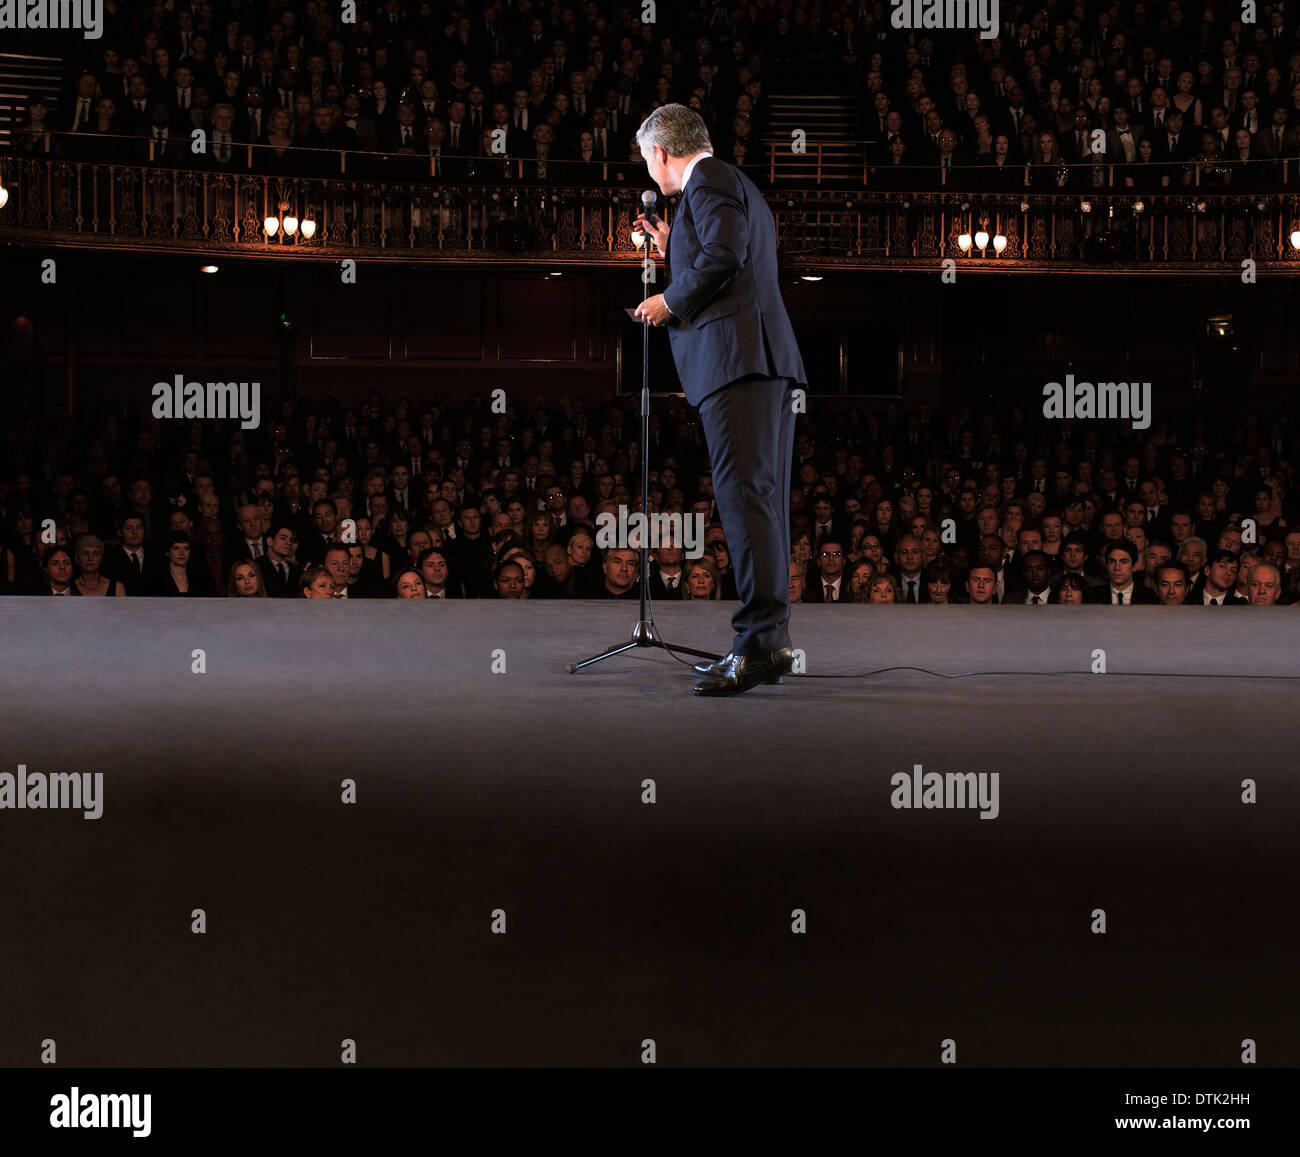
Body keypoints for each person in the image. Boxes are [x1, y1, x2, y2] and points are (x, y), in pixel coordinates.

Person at [632, 104, 806, 695]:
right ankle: (768, 645)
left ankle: (758, 646)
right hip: (756, 364)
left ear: (660, 152)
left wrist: (669, 300)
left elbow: (726, 257)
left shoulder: (708, 180)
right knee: (761, 502)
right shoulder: (728, 185)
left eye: (646, 159)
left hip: (740, 366)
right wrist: (673, 238)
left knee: (746, 503)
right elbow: (727, 251)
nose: (650, 171)